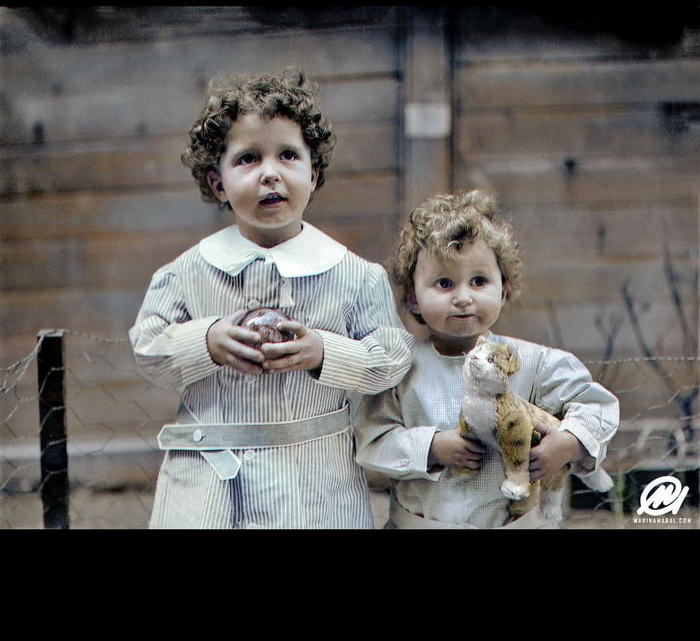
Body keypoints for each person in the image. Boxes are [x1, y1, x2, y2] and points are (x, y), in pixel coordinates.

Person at [129, 69, 413, 528]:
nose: (270, 174)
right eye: (246, 159)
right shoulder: (186, 272)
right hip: (210, 476)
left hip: (315, 479)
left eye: (288, 155)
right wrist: (205, 340)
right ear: (218, 183)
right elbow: (148, 345)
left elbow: (392, 357)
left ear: (313, 173)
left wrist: (325, 352)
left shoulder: (356, 276)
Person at [353, 190, 620, 528]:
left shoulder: (533, 362)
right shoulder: (400, 368)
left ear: (503, 288)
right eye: (444, 283)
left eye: (479, 281)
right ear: (414, 298)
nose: (463, 298)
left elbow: (598, 407)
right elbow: (372, 439)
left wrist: (565, 445)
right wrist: (431, 447)